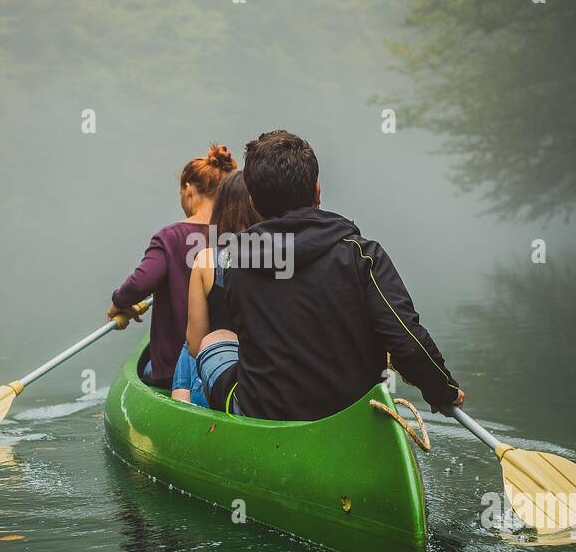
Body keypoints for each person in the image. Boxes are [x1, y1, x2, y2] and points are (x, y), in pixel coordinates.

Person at [195, 129, 465, 421]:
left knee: (215, 340)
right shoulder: (362, 256)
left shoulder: (236, 261)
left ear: (255, 203)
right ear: (317, 191)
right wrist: (443, 391)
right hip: (350, 414)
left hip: (266, 413)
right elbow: (407, 341)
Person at [108, 144, 236, 388]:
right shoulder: (236, 237)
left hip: (175, 370)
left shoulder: (171, 237)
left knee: (146, 369)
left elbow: (140, 283)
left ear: (188, 190)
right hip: (224, 364)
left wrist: (118, 303)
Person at [172, 171, 259, 405]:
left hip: (218, 385)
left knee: (189, 345)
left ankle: (180, 401)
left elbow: (195, 344)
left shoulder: (206, 260)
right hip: (266, 381)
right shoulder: (281, 257)